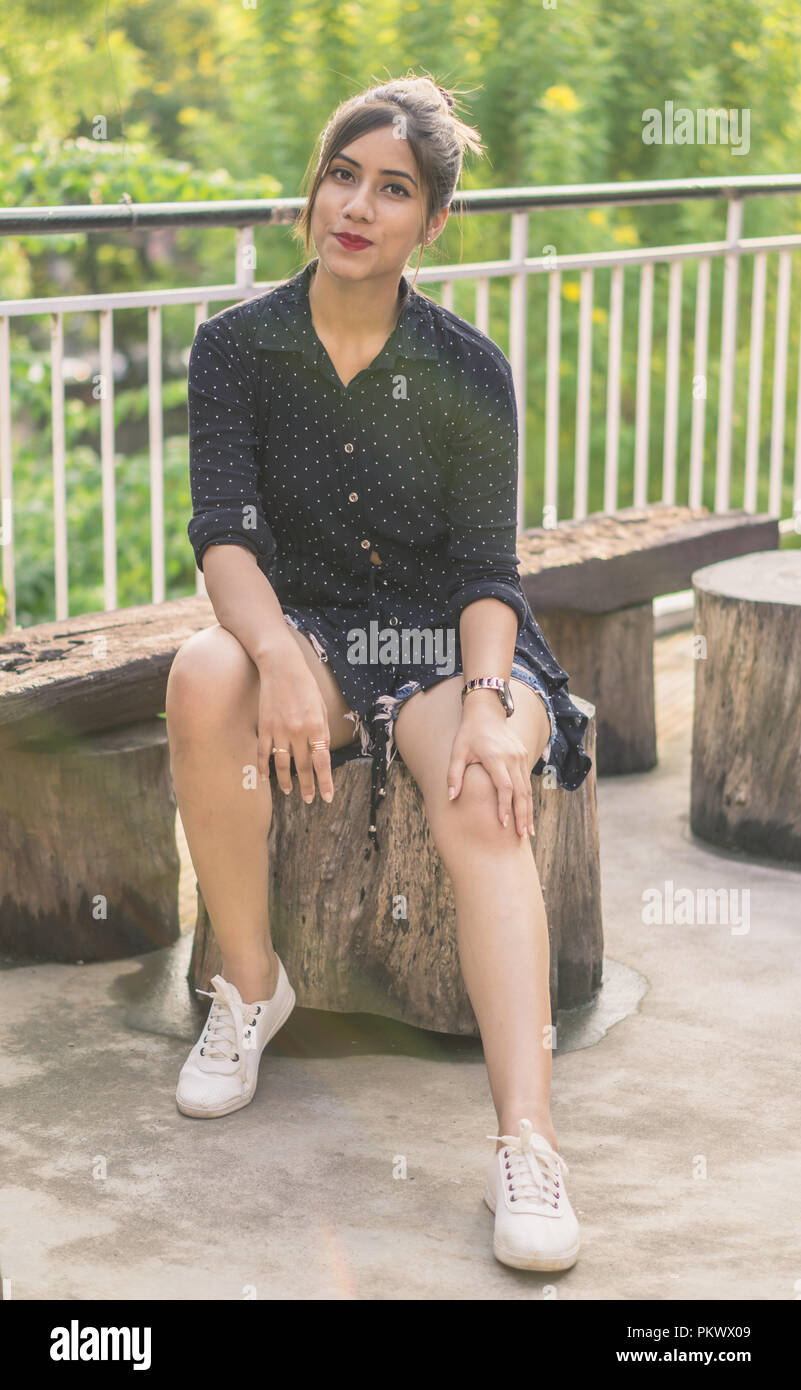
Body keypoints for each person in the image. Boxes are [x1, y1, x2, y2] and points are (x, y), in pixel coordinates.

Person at [166, 72, 591, 1273]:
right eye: (341, 176)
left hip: (440, 636)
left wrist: (497, 700)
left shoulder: (467, 369)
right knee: (204, 677)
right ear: (314, 188)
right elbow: (226, 536)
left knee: (480, 785)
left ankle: (529, 1143)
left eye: (391, 188)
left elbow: (485, 573)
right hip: (300, 623)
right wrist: (275, 651)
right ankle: (250, 986)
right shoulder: (235, 347)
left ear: (430, 223)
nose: (355, 206)